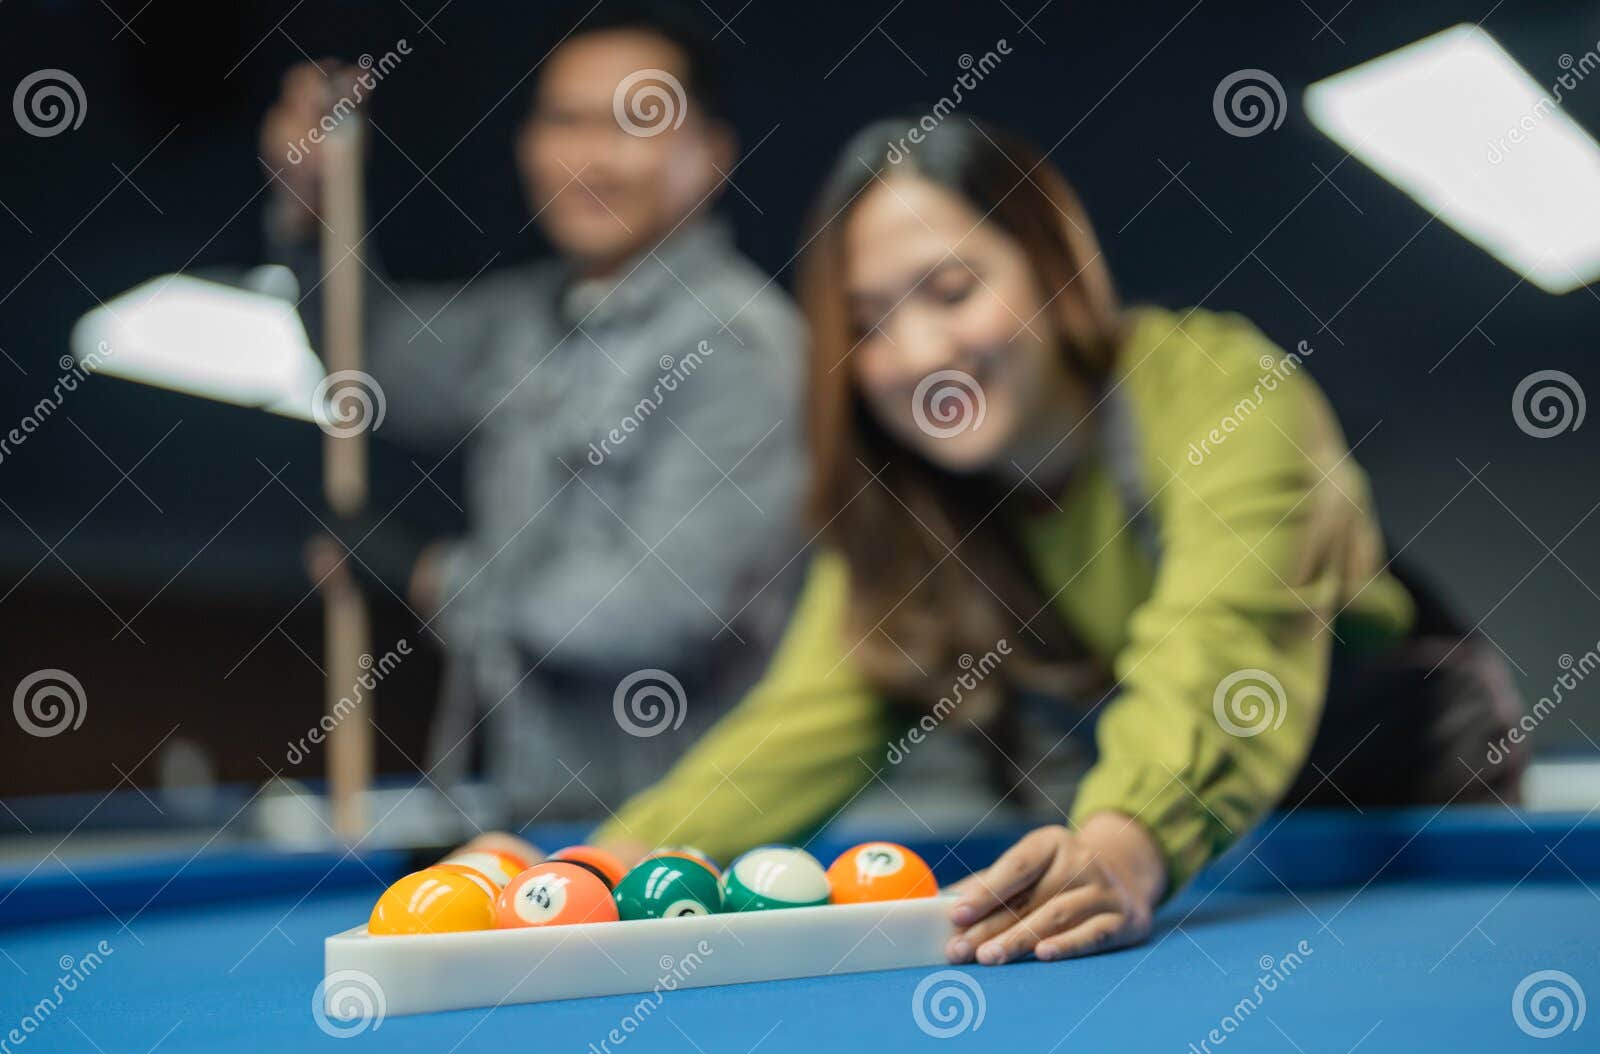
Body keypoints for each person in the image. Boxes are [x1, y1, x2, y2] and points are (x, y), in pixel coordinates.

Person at [469, 115, 1526, 963]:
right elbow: (794, 724)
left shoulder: (1218, 387)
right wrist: (602, 872)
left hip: (1399, 796)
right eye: (872, 320)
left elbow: (1225, 643)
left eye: (952, 290)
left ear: (1051, 268)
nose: (918, 351)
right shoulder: (915, 506)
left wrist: (1122, 845)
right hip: (1160, 826)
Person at [259, 3, 805, 822]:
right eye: (565, 121)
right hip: (539, 825)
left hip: (698, 841)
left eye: (636, 119)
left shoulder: (740, 344)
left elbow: (661, 610)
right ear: (528, 145)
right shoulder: (523, 318)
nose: (590, 155)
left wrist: (436, 577)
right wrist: (312, 212)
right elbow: (366, 356)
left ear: (712, 156)